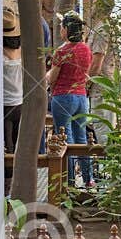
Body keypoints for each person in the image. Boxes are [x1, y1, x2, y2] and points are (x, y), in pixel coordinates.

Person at [46, 12, 94, 187]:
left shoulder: (62, 51)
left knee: (65, 139)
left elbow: (53, 78)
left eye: (61, 27)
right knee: (81, 138)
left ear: (66, 30)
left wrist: (46, 76)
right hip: (81, 96)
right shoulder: (86, 49)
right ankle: (89, 179)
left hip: (63, 96)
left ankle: (70, 182)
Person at [3, 31, 23, 152]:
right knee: (16, 139)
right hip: (19, 101)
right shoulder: (21, 52)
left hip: (5, 103)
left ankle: (9, 170)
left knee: (7, 140)